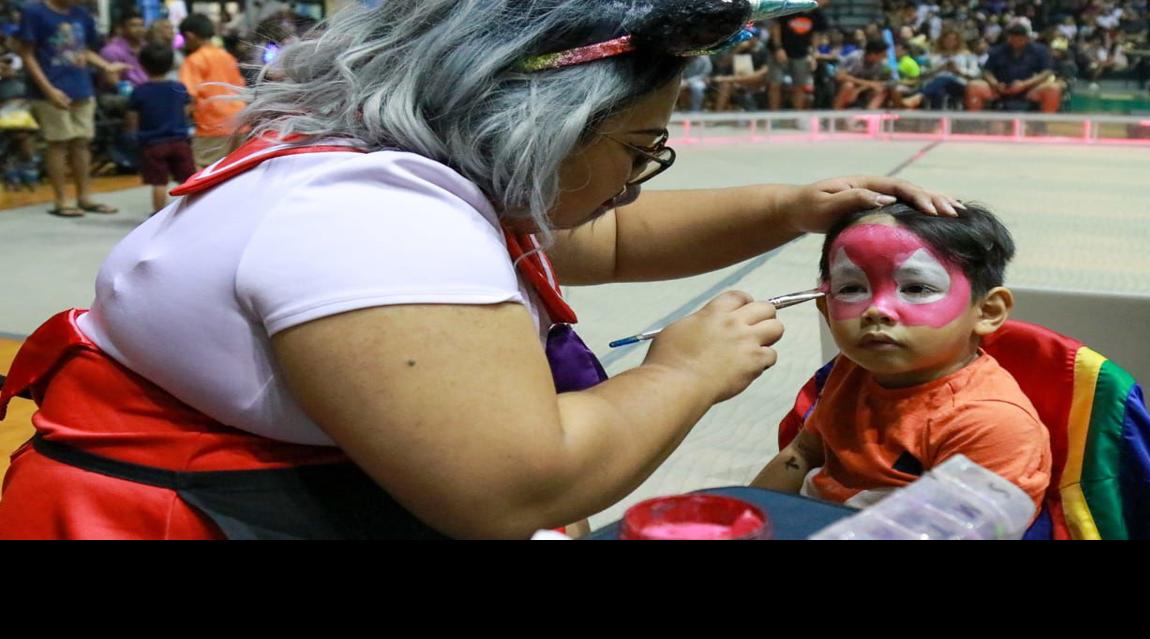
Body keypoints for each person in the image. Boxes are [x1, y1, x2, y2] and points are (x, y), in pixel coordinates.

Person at [0, 0, 960, 540]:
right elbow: (512, 490)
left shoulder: (393, 178)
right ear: (535, 125)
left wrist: (789, 209)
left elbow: (611, 239)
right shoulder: (372, 224)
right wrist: (684, 374)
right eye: (638, 147)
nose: (640, 179)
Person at [751, 203, 1051, 515]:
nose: (876, 310)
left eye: (916, 288)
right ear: (826, 308)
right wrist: (735, 521)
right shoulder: (854, 368)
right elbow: (803, 451)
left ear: (988, 311)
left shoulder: (990, 422)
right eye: (852, 288)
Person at [15, 0, 130, 217]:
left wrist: (106, 66)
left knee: (82, 142)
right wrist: (49, 90)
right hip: (49, 89)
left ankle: (84, 196)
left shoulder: (82, 14)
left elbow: (84, 50)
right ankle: (61, 200)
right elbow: (27, 54)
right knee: (57, 142)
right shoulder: (34, 12)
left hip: (81, 86)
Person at [125, 42, 194, 214]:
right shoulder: (178, 87)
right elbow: (187, 110)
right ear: (171, 64)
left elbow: (132, 118)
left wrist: (132, 134)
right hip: (179, 141)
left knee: (159, 182)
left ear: (142, 65)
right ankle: (192, 210)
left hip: (153, 143)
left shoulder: (139, 91)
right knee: (187, 179)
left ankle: (158, 214)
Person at [177, 12, 244, 168]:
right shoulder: (226, 55)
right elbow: (240, 87)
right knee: (235, 172)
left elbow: (189, 95)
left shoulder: (193, 60)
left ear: (190, 35)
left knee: (204, 173)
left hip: (212, 125)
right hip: (240, 121)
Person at [965, 23, 1064, 112]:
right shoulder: (998, 50)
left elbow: (1047, 71)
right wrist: (995, 84)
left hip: (1029, 89)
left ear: (1026, 38)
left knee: (1053, 88)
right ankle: (975, 124)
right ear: (1009, 38)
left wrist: (1025, 84)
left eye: (1020, 39)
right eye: (1013, 39)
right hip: (1000, 88)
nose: (1016, 42)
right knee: (974, 85)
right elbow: (987, 71)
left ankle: (1045, 124)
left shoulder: (1040, 50)